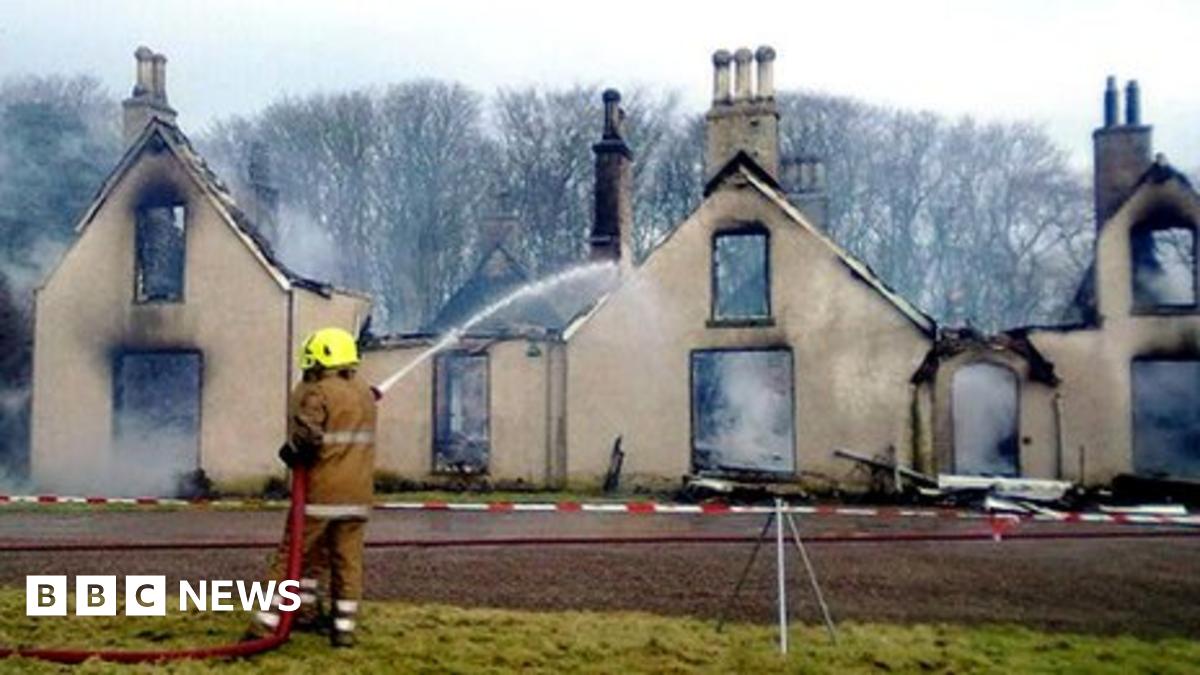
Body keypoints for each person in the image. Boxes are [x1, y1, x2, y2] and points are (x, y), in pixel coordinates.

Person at [248, 327, 377, 648]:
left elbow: (307, 438)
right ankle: (342, 629)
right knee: (346, 562)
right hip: (358, 497)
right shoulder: (364, 393)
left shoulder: (317, 393)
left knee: (291, 556)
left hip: (320, 493)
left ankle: (265, 626)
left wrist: (291, 453)